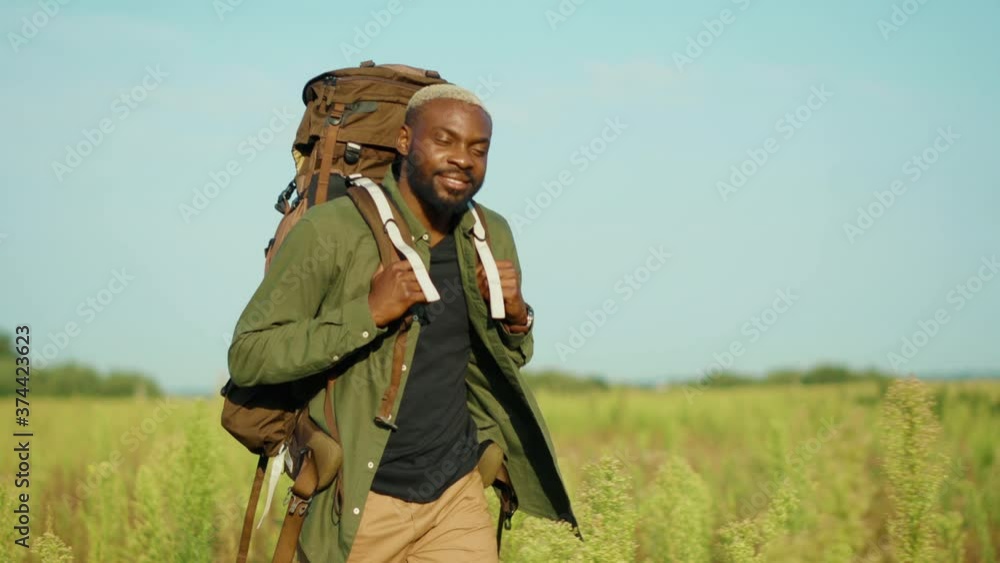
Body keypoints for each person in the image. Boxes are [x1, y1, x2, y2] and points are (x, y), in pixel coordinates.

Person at [228, 84, 577, 563]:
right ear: (405, 141)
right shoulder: (332, 232)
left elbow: (510, 357)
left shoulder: (490, 234)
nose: (463, 159)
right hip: (358, 504)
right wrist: (366, 315)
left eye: (479, 149)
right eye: (445, 141)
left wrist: (519, 318)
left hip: (455, 499)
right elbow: (249, 355)